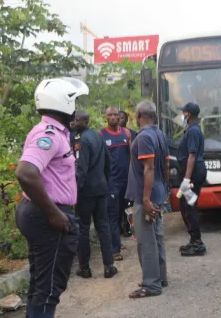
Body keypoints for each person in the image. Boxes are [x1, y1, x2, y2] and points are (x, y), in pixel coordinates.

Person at [14, 77, 89, 318]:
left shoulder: (53, 131)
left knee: (41, 280)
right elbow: (25, 172)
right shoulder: (48, 133)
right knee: (48, 282)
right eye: (74, 100)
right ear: (64, 102)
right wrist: (54, 214)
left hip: (41, 212)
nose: (76, 107)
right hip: (46, 215)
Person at [126, 101, 170, 298]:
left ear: (138, 115)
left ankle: (151, 285)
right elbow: (166, 167)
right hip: (157, 192)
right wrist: (164, 191)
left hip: (147, 196)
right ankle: (160, 277)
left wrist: (145, 199)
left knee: (146, 241)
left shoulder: (144, 137)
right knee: (157, 237)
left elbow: (149, 168)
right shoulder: (159, 134)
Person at [70, 111, 118, 279]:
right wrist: (104, 182)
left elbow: (81, 169)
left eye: (76, 120)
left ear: (84, 121)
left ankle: (85, 268)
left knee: (83, 228)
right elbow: (108, 162)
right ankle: (109, 266)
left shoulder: (81, 140)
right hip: (101, 189)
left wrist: (75, 190)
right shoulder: (98, 136)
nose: (73, 122)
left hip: (86, 191)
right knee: (103, 226)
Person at [100, 107, 134, 260]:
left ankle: (121, 239)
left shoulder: (126, 133)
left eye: (115, 115)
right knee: (112, 215)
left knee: (125, 212)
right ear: (106, 117)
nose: (113, 117)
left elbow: (132, 157)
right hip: (111, 182)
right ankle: (115, 250)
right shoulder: (101, 135)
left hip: (126, 180)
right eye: (110, 115)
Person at [177, 102, 208, 257]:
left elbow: (192, 156)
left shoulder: (193, 131)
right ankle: (194, 240)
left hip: (193, 173)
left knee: (188, 207)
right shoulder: (191, 130)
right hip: (192, 173)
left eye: (183, 112)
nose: (182, 115)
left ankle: (197, 243)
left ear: (188, 114)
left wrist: (186, 179)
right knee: (186, 205)